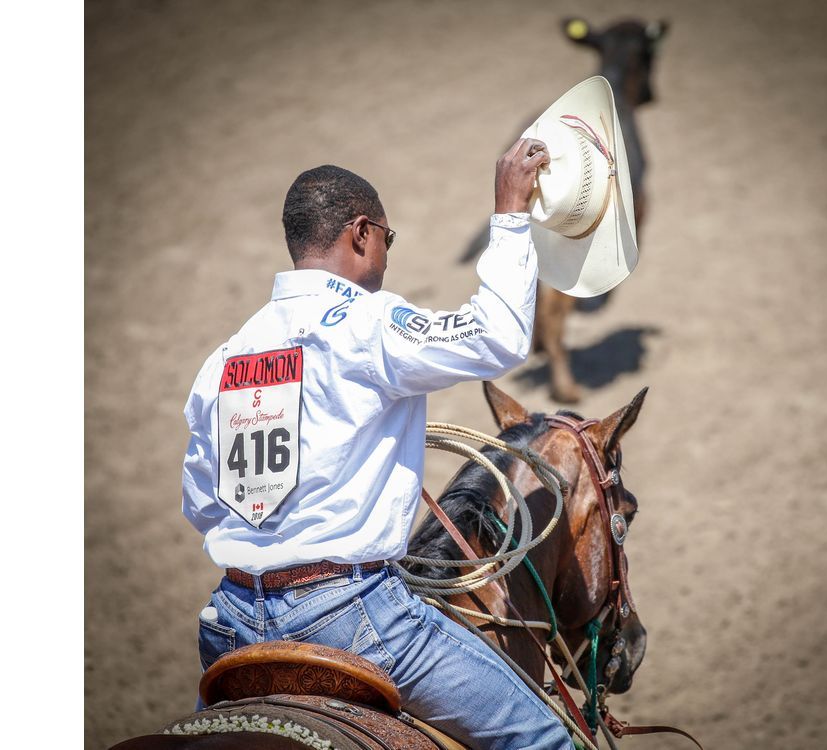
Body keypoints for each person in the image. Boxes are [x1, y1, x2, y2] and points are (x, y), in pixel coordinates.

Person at [180, 137, 575, 749]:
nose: (386, 256)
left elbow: (204, 506)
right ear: (362, 233)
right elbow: (497, 337)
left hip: (230, 622)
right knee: (544, 739)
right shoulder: (370, 323)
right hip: (351, 615)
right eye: (387, 239)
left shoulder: (226, 358)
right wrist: (510, 215)